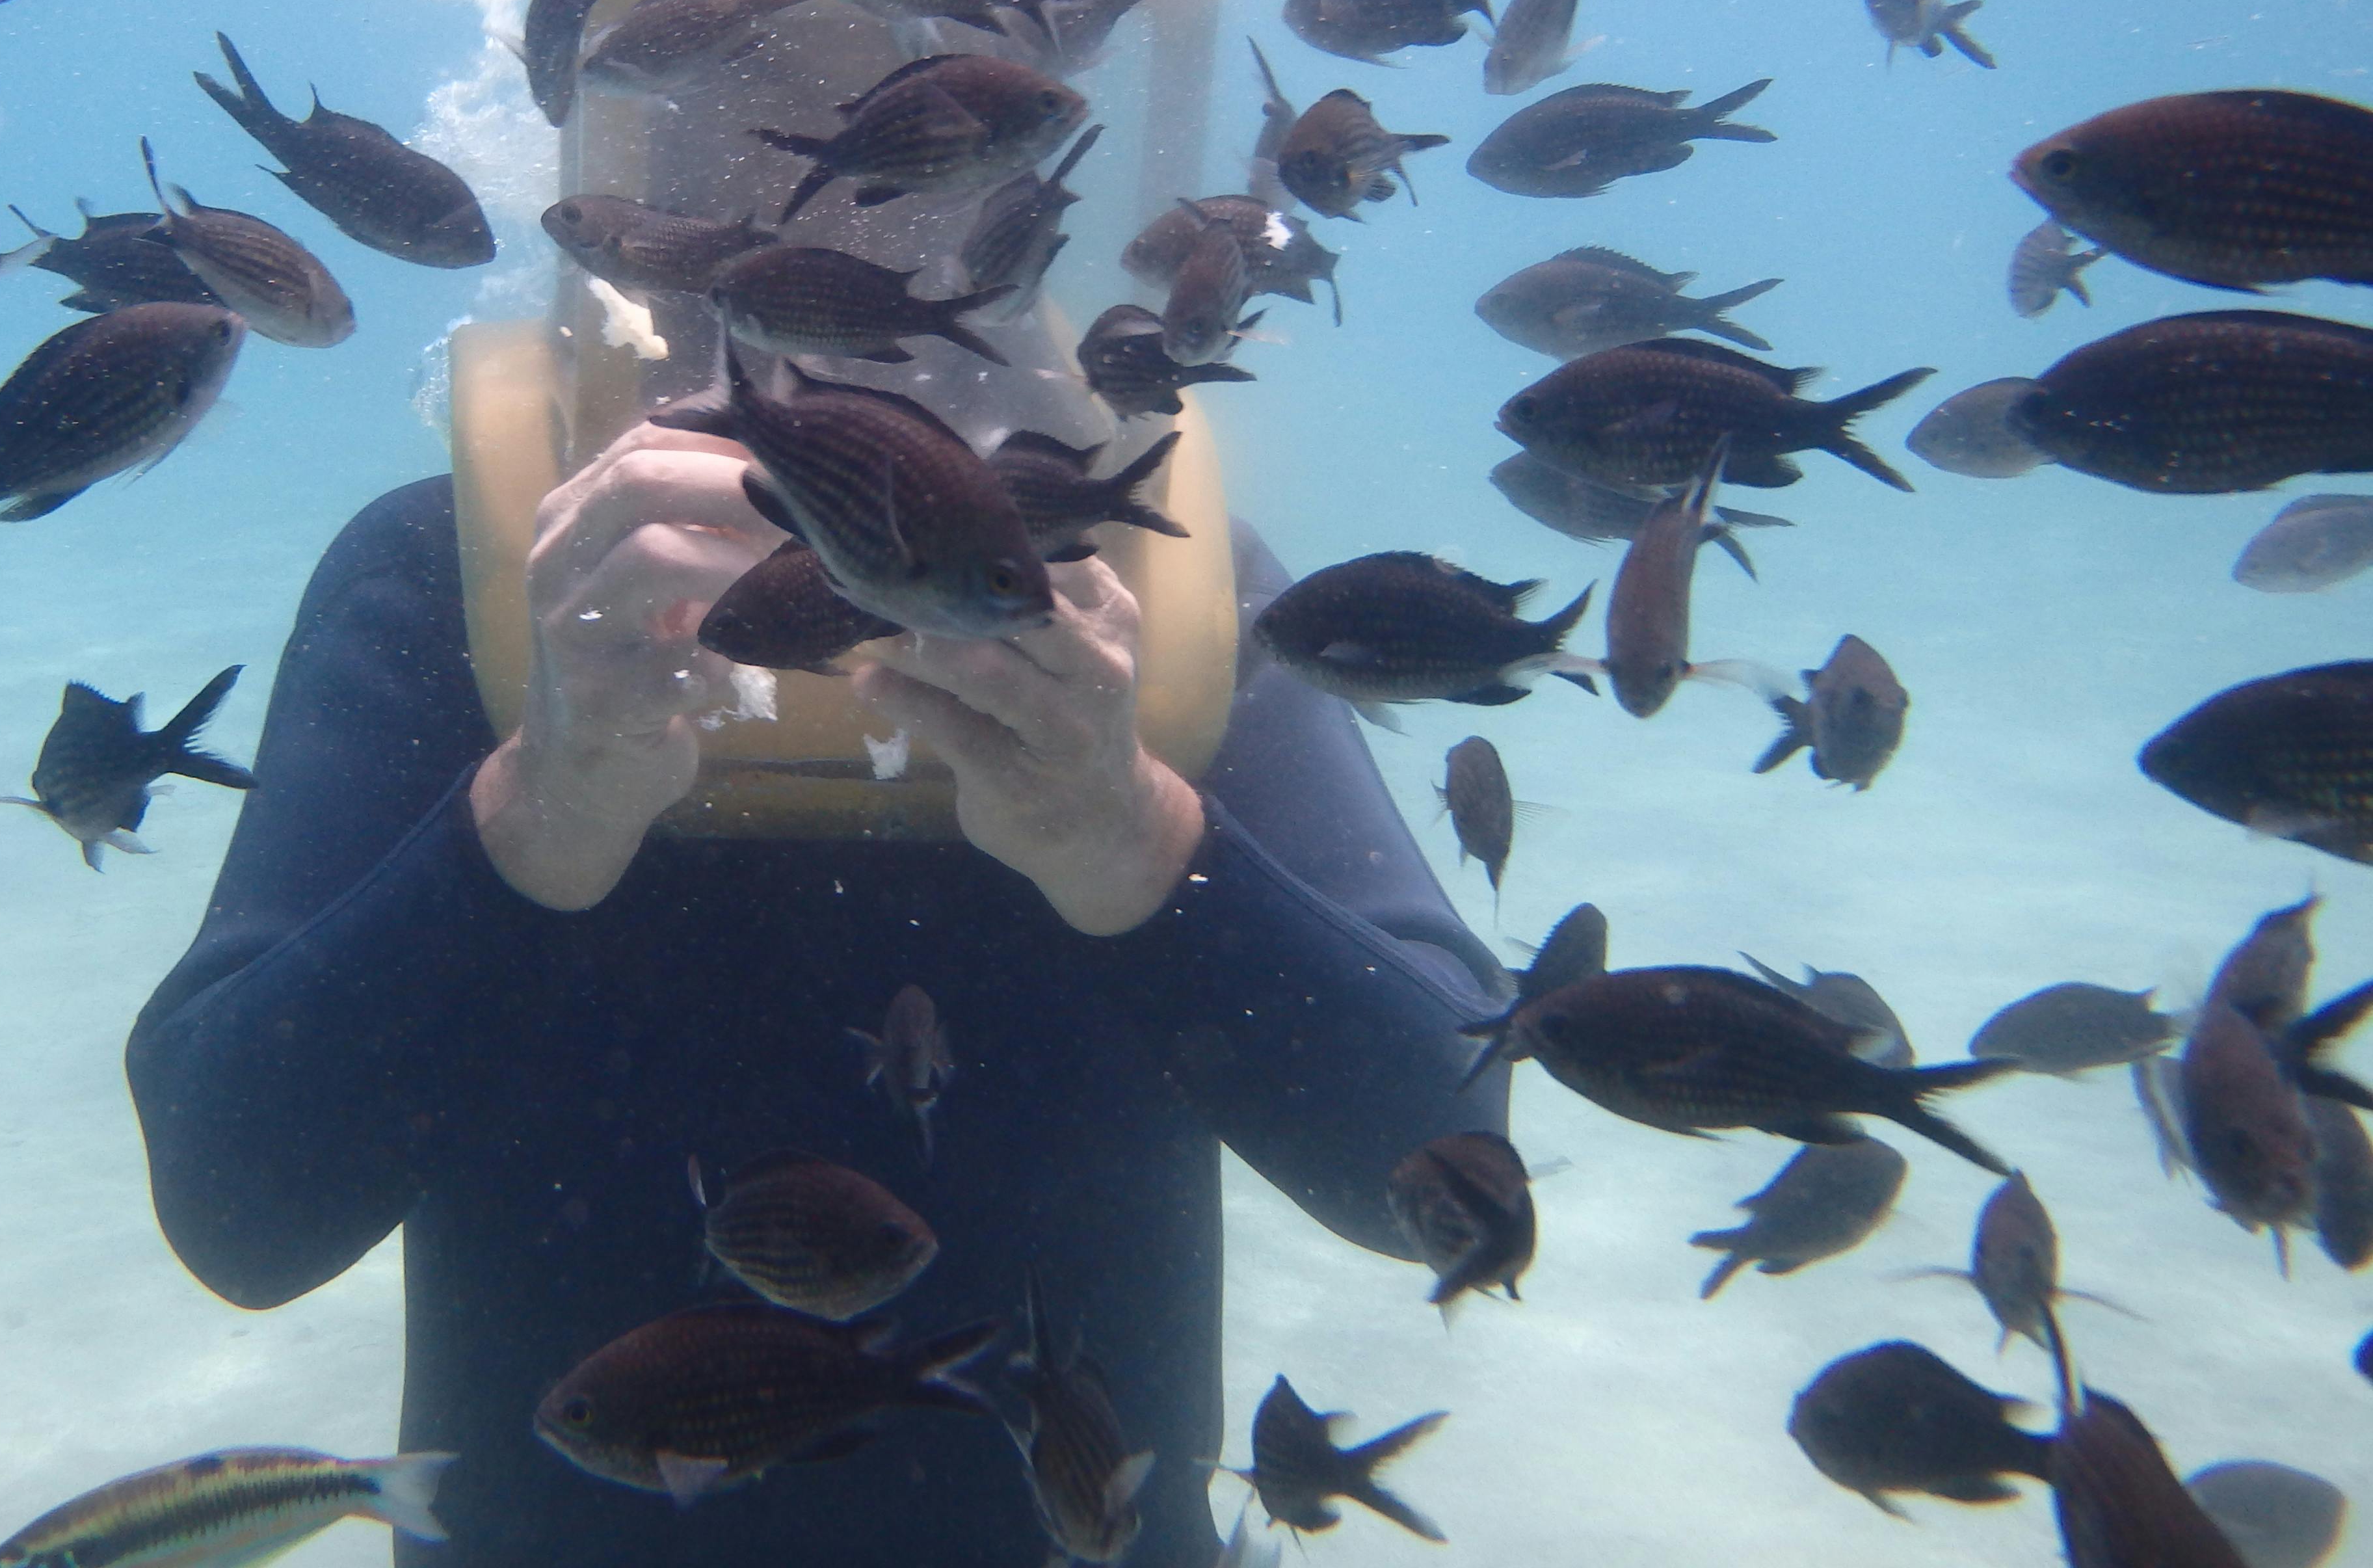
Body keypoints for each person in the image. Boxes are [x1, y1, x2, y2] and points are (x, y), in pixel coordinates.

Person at [125, 408, 1508, 1565]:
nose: (844, 231)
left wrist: (1129, 833)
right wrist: (540, 808)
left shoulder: (1149, 591)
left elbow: (1444, 1156)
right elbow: (238, 1209)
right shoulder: (460, 574)